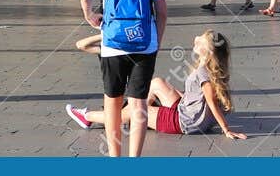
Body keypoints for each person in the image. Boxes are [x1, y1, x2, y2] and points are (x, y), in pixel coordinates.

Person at [80, 0, 167, 157]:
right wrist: (156, 42)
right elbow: (161, 12)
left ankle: (115, 157)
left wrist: (91, 17)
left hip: (113, 43)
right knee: (139, 105)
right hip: (144, 44)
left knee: (113, 102)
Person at [68, 30, 246, 140]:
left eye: (200, 40)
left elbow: (212, 102)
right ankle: (134, 114)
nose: (195, 39)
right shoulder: (204, 67)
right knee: (157, 83)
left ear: (207, 51)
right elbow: (200, 99)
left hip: (183, 122)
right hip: (185, 111)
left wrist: (226, 130)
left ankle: (88, 117)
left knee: (133, 112)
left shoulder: (203, 73)